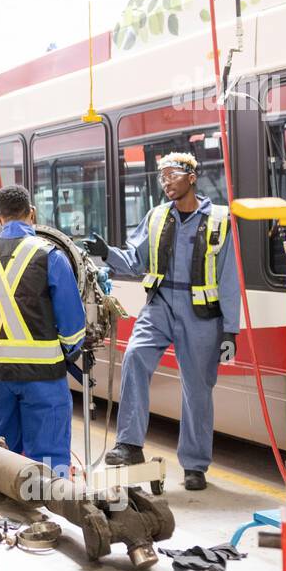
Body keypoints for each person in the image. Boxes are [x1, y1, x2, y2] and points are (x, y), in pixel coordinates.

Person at [83, 151, 239, 490]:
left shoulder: (221, 220)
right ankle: (129, 444)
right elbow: (135, 260)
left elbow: (229, 277)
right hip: (160, 304)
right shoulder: (156, 217)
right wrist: (106, 252)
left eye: (172, 174)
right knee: (136, 356)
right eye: (162, 176)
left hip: (202, 313)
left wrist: (230, 329)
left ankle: (195, 466)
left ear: (192, 177)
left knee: (197, 389)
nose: (166, 181)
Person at [0, 184, 86, 476]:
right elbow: (73, 326)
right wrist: (68, 351)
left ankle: (8, 516)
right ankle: (49, 512)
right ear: (32, 213)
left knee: (3, 454)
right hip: (42, 373)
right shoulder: (50, 255)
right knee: (48, 457)